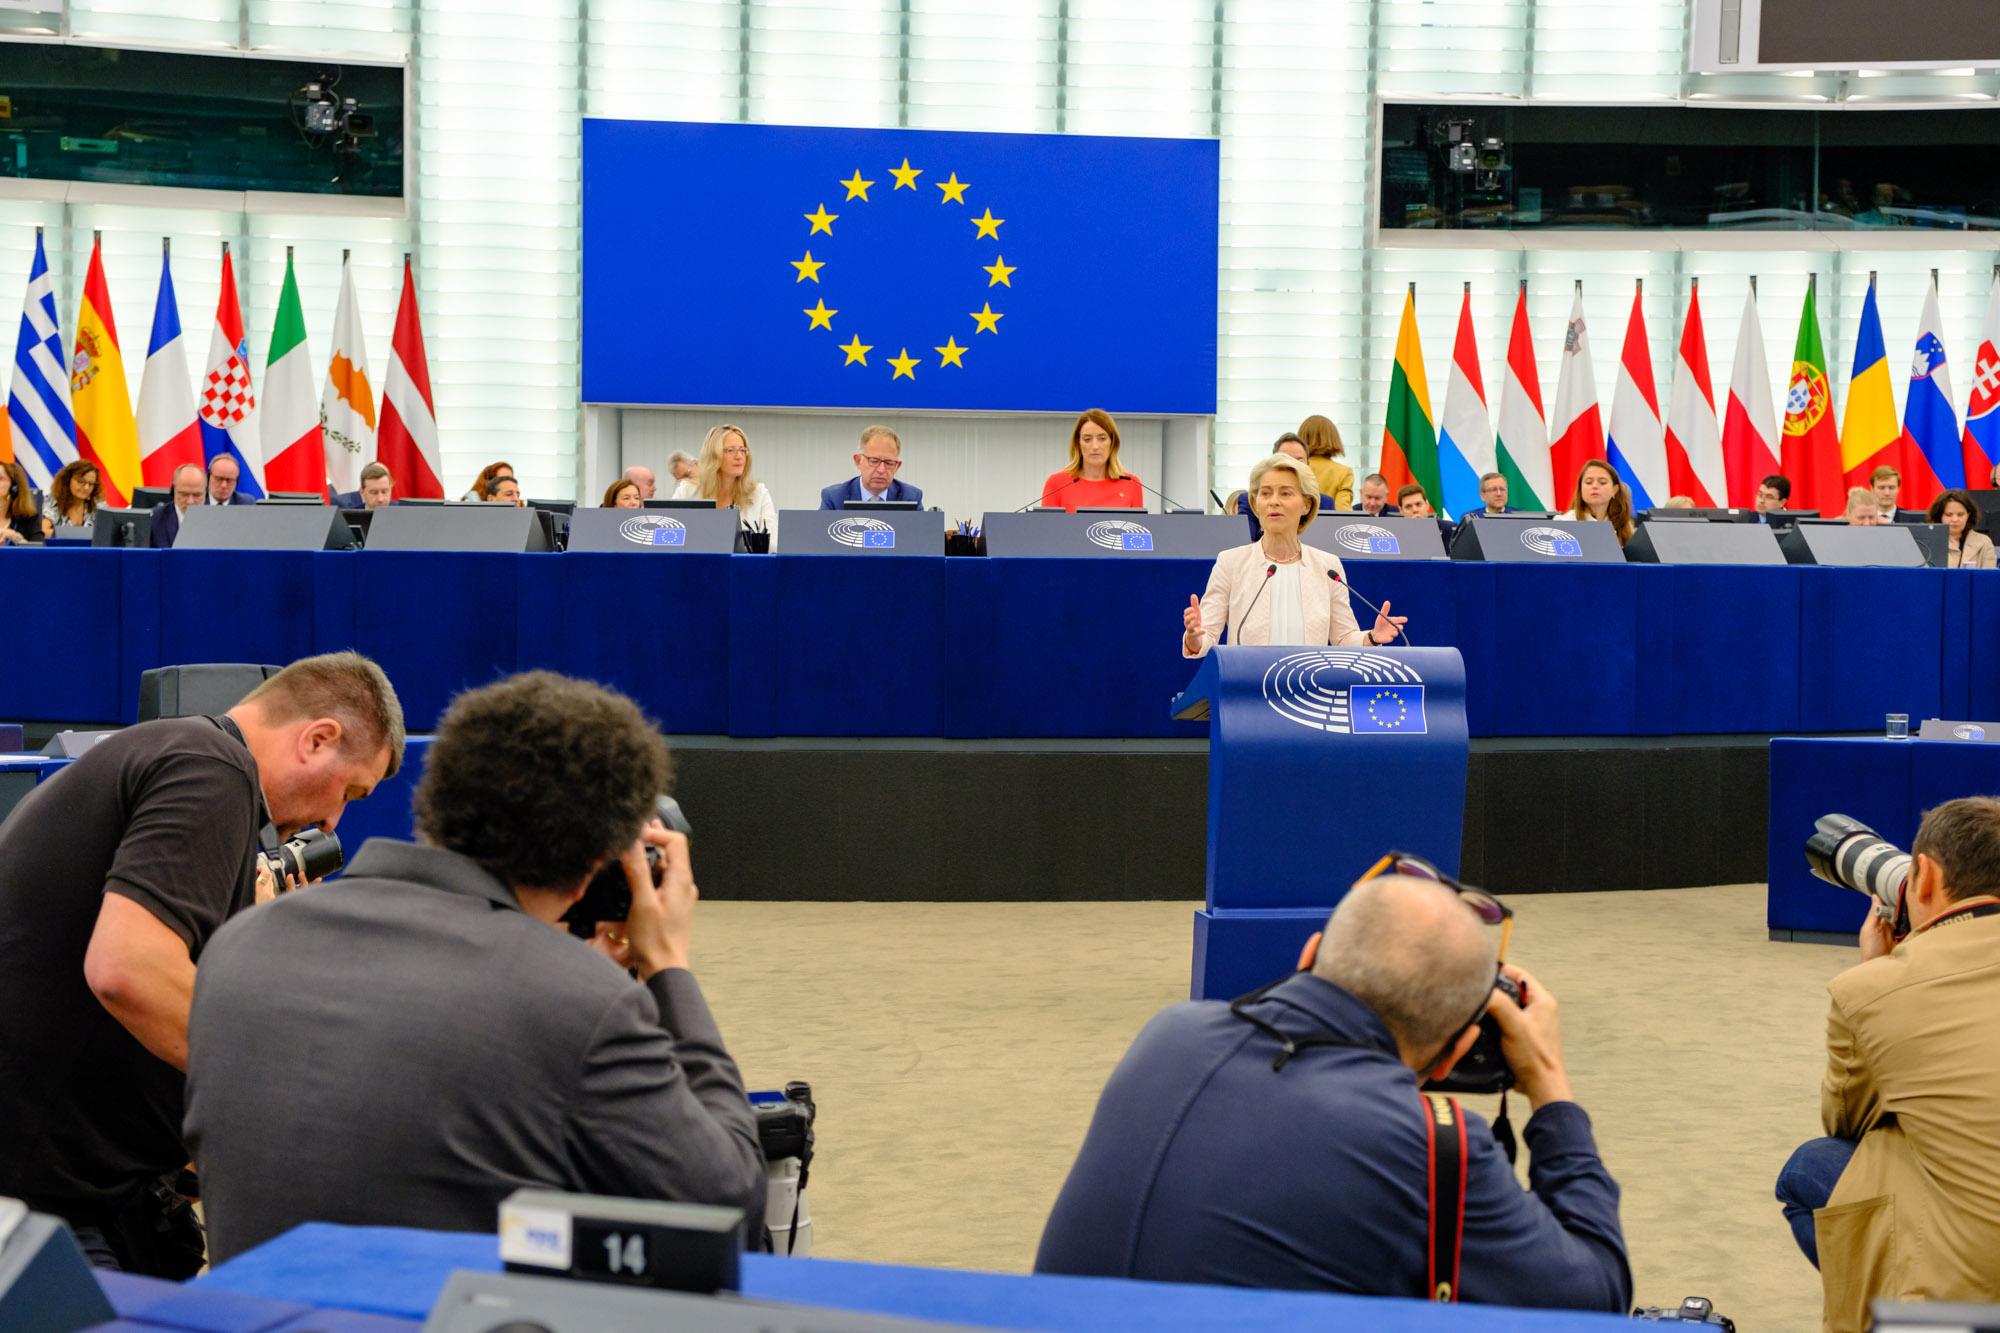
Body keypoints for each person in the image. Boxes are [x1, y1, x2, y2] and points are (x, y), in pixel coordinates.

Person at [184, 672, 765, 1263]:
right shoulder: (579, 999)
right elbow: (728, 1204)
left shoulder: (238, 946)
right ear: (598, 862)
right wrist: (668, 966)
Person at [1035, 873, 1629, 1309]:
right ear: (1455, 1050)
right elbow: (1599, 1296)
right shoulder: (1431, 1147)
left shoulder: (1169, 1033)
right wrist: (1550, 1084)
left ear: (1309, 953)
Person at [0, 652, 403, 1276]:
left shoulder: (175, 756)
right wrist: (275, 1088)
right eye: (349, 790)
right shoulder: (211, 767)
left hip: (82, 1188)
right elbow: (127, 969)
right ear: (318, 738)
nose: (333, 820)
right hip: (40, 1198)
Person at [1775, 797, 2000, 1331]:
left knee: (1813, 1166)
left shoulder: (1872, 991)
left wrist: (1879, 969)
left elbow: (1847, 1123)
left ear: (1923, 878)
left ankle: (1905, 1313)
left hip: (1973, 1297)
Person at [1182, 454, 1405, 657]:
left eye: (1286, 493)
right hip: (1247, 690)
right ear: (1256, 504)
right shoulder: (1231, 562)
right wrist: (1194, 638)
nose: (1273, 501)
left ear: (1306, 505)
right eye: (1265, 493)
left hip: (1308, 692)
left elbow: (1343, 638)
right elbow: (1206, 636)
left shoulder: (1328, 566)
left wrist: (1372, 637)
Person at [673, 423, 779, 548]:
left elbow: (774, 544)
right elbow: (672, 536)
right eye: (731, 450)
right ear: (714, 455)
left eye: (742, 450)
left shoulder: (758, 493)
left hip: (745, 566)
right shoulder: (687, 491)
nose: (739, 456)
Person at [1041, 409, 1144, 512]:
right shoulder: (1056, 484)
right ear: (1078, 444)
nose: (1095, 446)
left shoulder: (1132, 484)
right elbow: (1046, 527)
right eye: (1087, 439)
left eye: (1102, 438)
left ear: (1112, 443)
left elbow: (1138, 527)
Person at [820, 424, 923, 509]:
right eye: (874, 461)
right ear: (858, 461)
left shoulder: (911, 497)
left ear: (897, 466)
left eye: (888, 462)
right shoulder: (834, 498)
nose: (881, 470)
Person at [1233, 433, 1309, 540]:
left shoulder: (1323, 502)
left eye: (1299, 461)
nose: (1292, 466)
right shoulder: (1251, 500)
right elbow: (1243, 542)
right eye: (1284, 460)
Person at [1568, 460, 1634, 544]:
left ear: (1615, 490)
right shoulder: (1564, 521)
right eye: (1588, 482)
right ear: (1580, 490)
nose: (1594, 486)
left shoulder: (1625, 526)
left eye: (1602, 482)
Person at [1299, 414, 1355, 512]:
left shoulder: (1294, 468)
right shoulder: (1344, 472)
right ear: (1333, 438)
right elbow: (1343, 512)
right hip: (1328, 526)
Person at [1929, 489, 1995, 569]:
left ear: (1968, 515)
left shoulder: (1984, 542)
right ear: (1939, 516)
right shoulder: (1930, 542)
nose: (1955, 519)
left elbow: (1990, 578)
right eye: (1949, 515)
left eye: (1960, 514)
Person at [148, 463, 206, 549]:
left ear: (206, 492)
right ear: (173, 490)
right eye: (184, 494)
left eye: (197, 495)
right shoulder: (154, 519)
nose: (190, 501)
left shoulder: (217, 522)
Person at [0, 459, 44, 544]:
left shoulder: (28, 519)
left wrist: (15, 537)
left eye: (0, 478)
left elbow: (39, 552)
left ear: (14, 488)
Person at [48, 458, 100, 529]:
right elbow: (44, 532)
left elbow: (107, 534)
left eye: (91, 484)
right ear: (67, 481)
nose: (86, 488)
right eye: (81, 481)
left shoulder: (99, 507)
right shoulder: (53, 502)